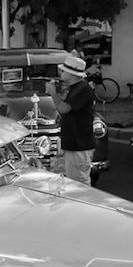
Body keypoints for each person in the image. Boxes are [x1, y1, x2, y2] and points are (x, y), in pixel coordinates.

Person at [45, 55, 95, 185]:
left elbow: (64, 109)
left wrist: (52, 93)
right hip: (74, 144)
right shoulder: (75, 89)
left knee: (79, 184)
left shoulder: (82, 89)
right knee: (73, 182)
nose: (61, 72)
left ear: (72, 74)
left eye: (64, 71)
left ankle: (83, 205)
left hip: (79, 146)